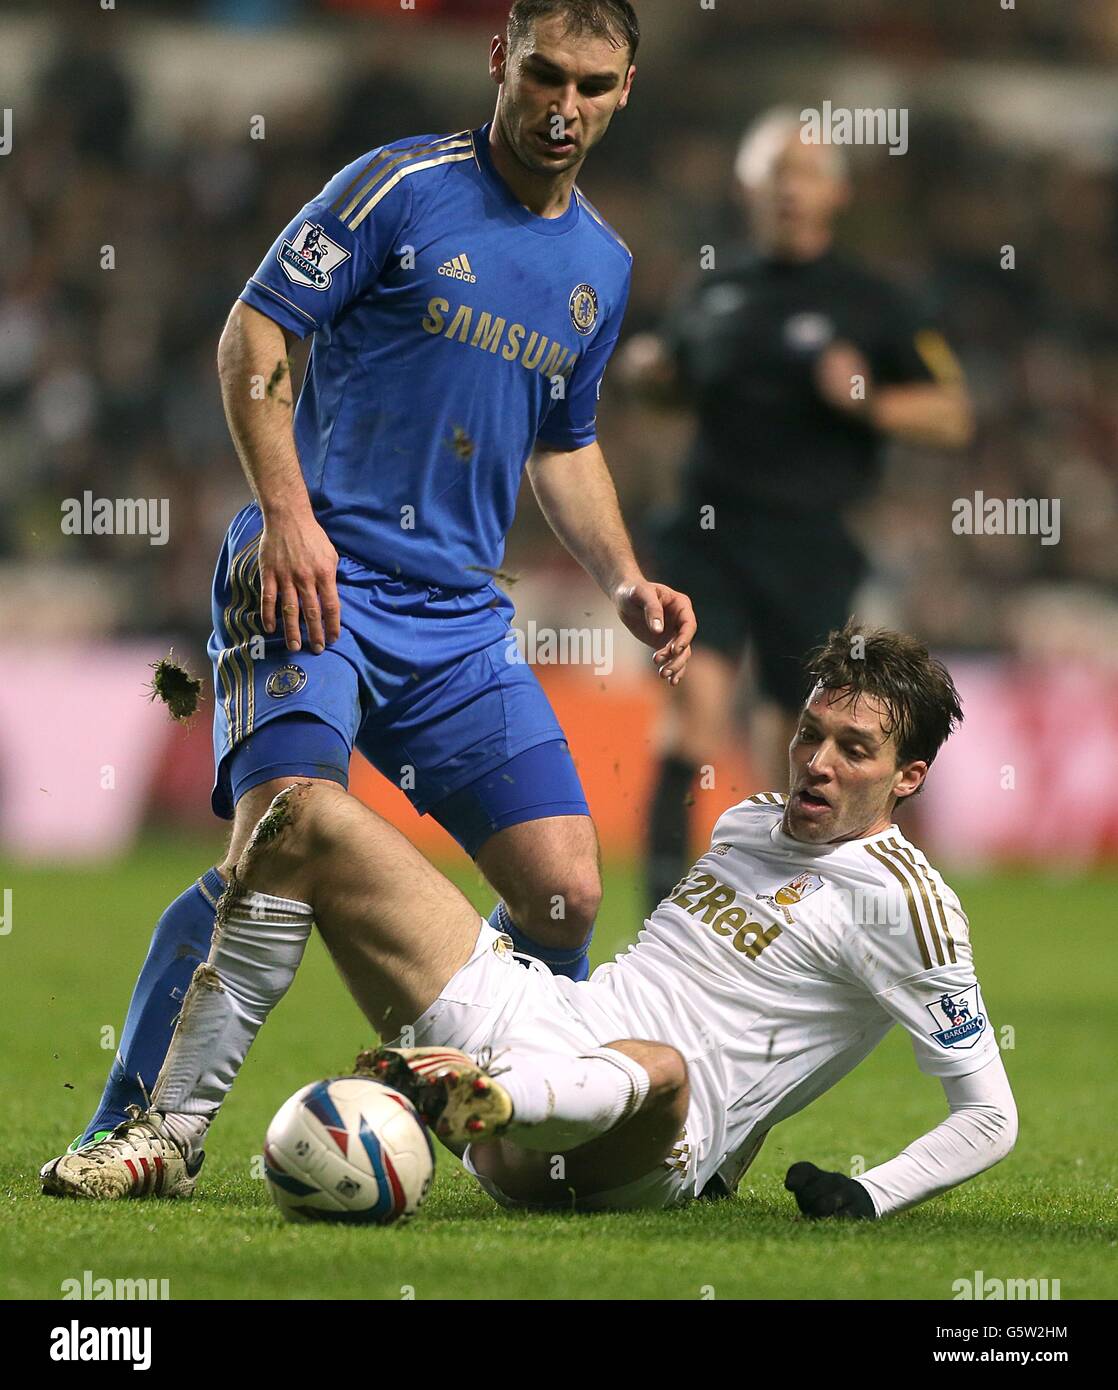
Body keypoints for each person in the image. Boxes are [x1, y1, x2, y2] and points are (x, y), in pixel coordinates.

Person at [43, 0, 699, 1174]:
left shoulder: (600, 263)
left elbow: (564, 442)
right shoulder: (397, 187)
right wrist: (289, 520)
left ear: (625, 92)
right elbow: (253, 339)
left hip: (460, 620)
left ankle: (490, 1105)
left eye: (593, 87)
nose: (564, 107)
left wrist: (625, 576)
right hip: (316, 583)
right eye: (545, 74)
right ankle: (147, 1129)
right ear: (499, 60)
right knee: (286, 824)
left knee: (561, 891)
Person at [43, 624, 1016, 1222]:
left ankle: (481, 1095)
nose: (817, 760)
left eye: (854, 748)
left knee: (665, 1063)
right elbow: (745, 1008)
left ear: (907, 776)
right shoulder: (746, 821)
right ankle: (170, 1130)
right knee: (307, 818)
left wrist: (869, 1191)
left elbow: (988, 1115)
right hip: (547, 1018)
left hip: (639, 1144)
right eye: (810, 732)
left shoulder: (906, 902)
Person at [620, 107, 974, 912]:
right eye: (775, 170)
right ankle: (659, 925)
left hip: (812, 545)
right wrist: (649, 373)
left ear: (837, 192)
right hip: (708, 536)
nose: (790, 187)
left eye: (806, 171)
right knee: (693, 714)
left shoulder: (876, 300)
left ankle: (800, 914)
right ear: (748, 186)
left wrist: (869, 400)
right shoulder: (713, 288)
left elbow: (952, 413)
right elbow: (670, 386)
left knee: (805, 741)